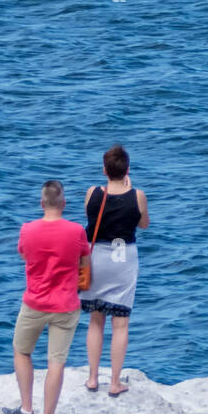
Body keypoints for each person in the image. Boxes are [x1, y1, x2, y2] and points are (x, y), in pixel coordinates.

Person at [4, 179, 91, 414]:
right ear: (63, 204)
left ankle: (27, 409)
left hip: (34, 302)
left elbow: (24, 256)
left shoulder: (27, 230)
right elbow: (85, 264)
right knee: (56, 362)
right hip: (66, 305)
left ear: (42, 203)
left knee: (21, 351)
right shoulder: (76, 231)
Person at [81, 145, 149, 396]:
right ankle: (115, 382)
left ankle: (91, 378)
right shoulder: (138, 196)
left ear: (104, 170)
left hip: (97, 258)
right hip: (124, 260)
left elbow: (89, 218)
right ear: (127, 170)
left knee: (96, 320)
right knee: (120, 324)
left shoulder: (92, 193)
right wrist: (130, 191)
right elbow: (144, 224)